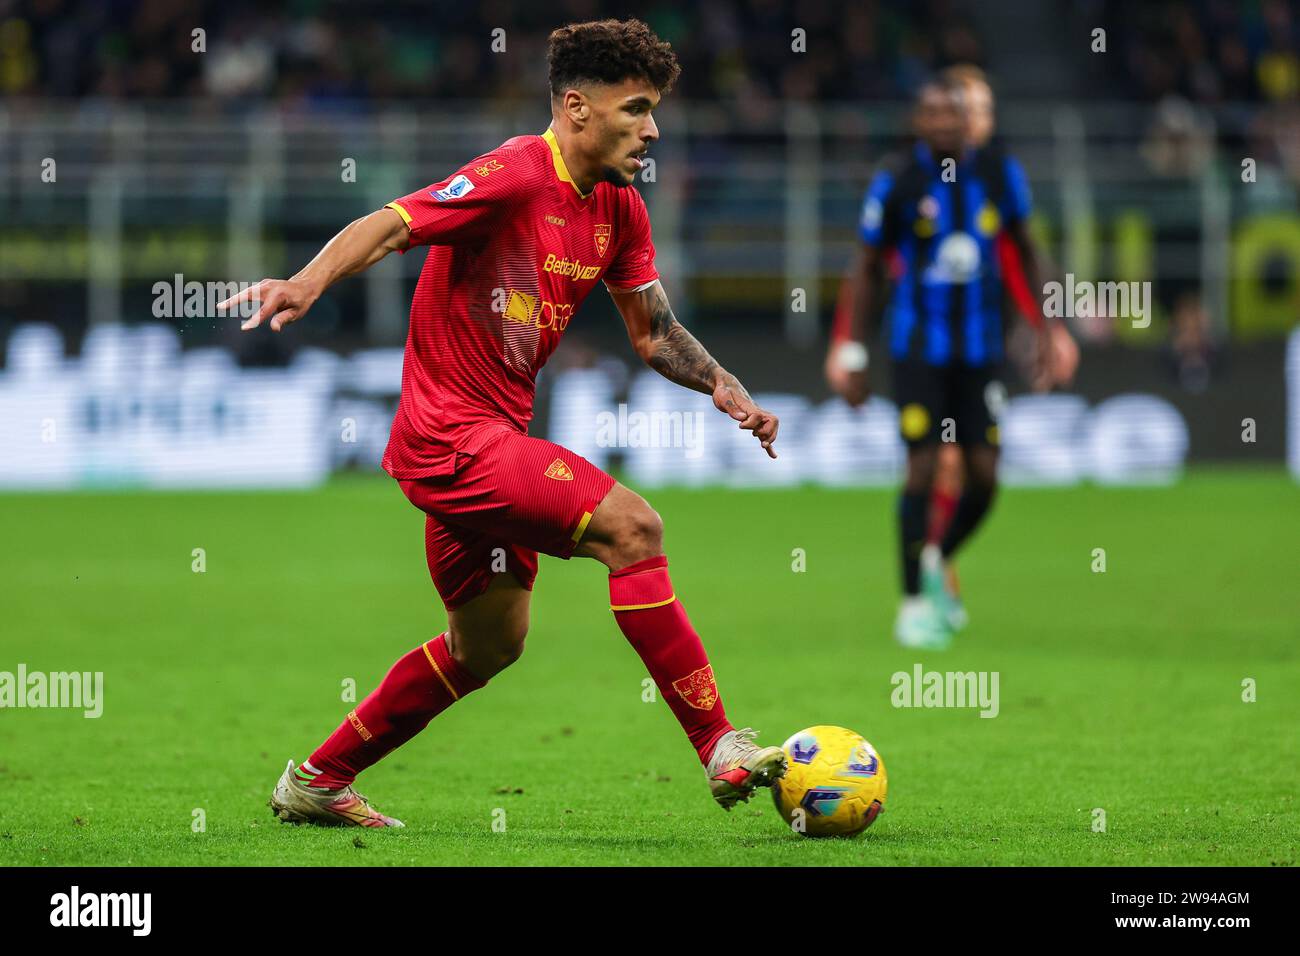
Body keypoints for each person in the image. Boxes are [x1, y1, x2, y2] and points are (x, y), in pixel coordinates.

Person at [220, 19, 785, 827]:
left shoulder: (621, 209)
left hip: (492, 443)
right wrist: (308, 281)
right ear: (578, 108)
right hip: (449, 438)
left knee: (486, 647)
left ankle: (316, 780)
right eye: (637, 109)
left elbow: (653, 331)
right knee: (634, 530)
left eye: (654, 110)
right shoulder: (517, 173)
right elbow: (393, 221)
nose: (653, 129)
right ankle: (720, 744)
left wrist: (724, 386)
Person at [825, 77, 1057, 650]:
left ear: (965, 121)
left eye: (952, 114)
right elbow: (867, 265)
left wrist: (1048, 326)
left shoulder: (1000, 174)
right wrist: (852, 347)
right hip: (917, 352)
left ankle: (937, 553)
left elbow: (1028, 248)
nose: (943, 124)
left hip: (981, 352)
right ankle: (910, 603)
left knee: (985, 476)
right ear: (919, 123)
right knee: (923, 472)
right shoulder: (899, 179)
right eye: (931, 115)